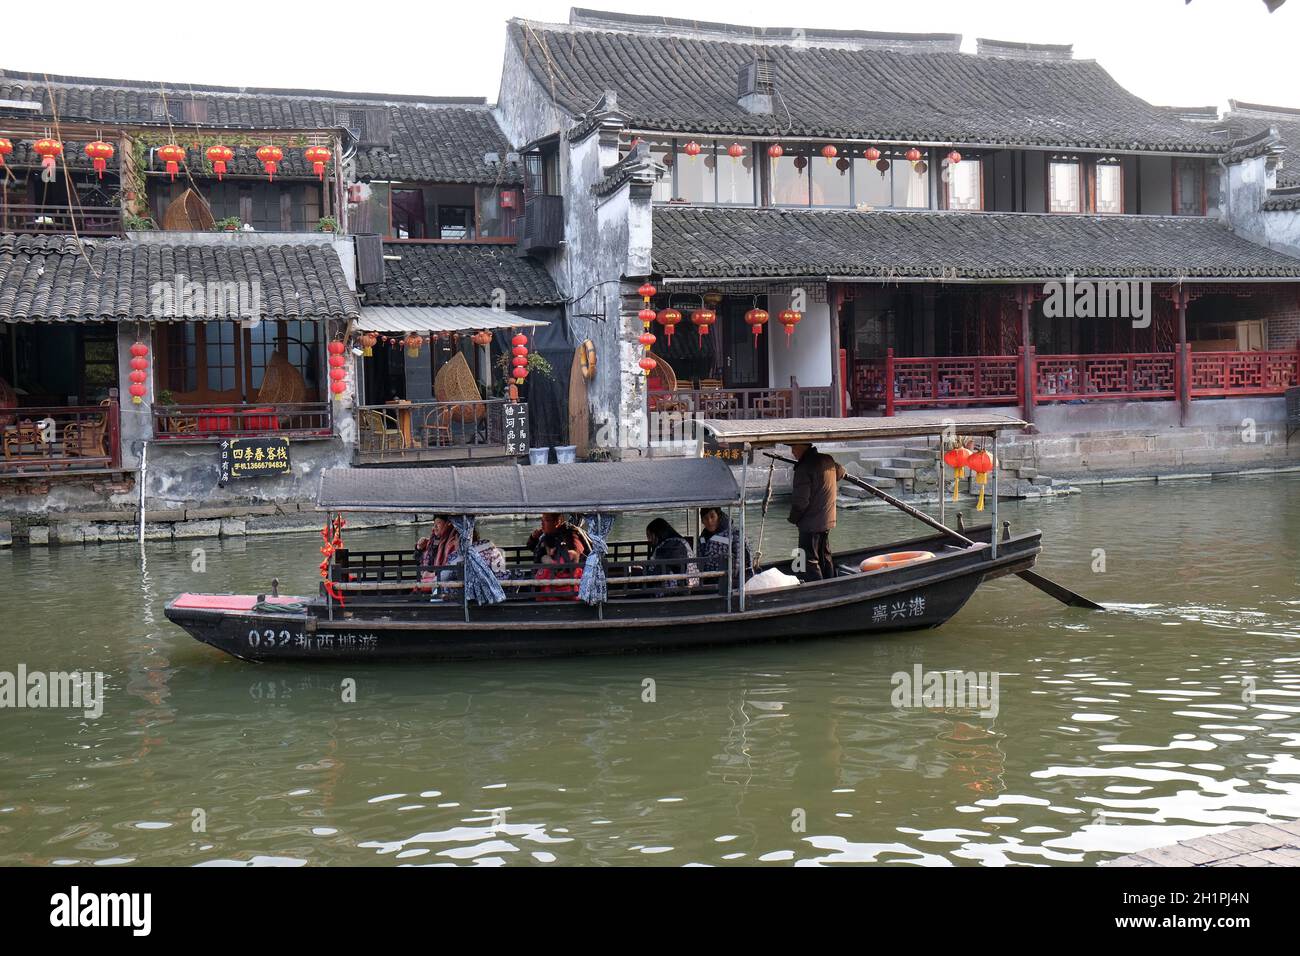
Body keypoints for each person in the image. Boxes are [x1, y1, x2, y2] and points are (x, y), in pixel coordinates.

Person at [787, 442, 845, 582]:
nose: (792, 452)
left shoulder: (804, 468)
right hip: (827, 520)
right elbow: (841, 471)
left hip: (810, 522)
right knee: (824, 554)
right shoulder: (827, 459)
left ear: (803, 447)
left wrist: (793, 518)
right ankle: (830, 581)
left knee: (809, 559)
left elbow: (801, 502)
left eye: (794, 448)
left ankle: (817, 588)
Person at [697, 506, 753, 589]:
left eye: (712, 516)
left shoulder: (735, 534)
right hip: (709, 581)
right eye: (705, 518)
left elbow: (740, 561)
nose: (709, 521)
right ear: (702, 521)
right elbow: (699, 560)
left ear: (718, 516)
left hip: (732, 582)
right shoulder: (702, 537)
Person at [640, 518, 699, 594]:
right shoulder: (680, 541)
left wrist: (643, 571)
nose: (649, 540)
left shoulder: (668, 547)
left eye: (649, 536)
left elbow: (659, 572)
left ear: (657, 533)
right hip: (689, 585)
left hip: (674, 590)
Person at [526, 513, 591, 565]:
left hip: (563, 577)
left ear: (557, 522)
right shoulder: (547, 535)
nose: (542, 524)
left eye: (547, 520)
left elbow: (576, 554)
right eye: (542, 520)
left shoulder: (570, 535)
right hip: (543, 575)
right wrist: (533, 538)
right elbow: (533, 548)